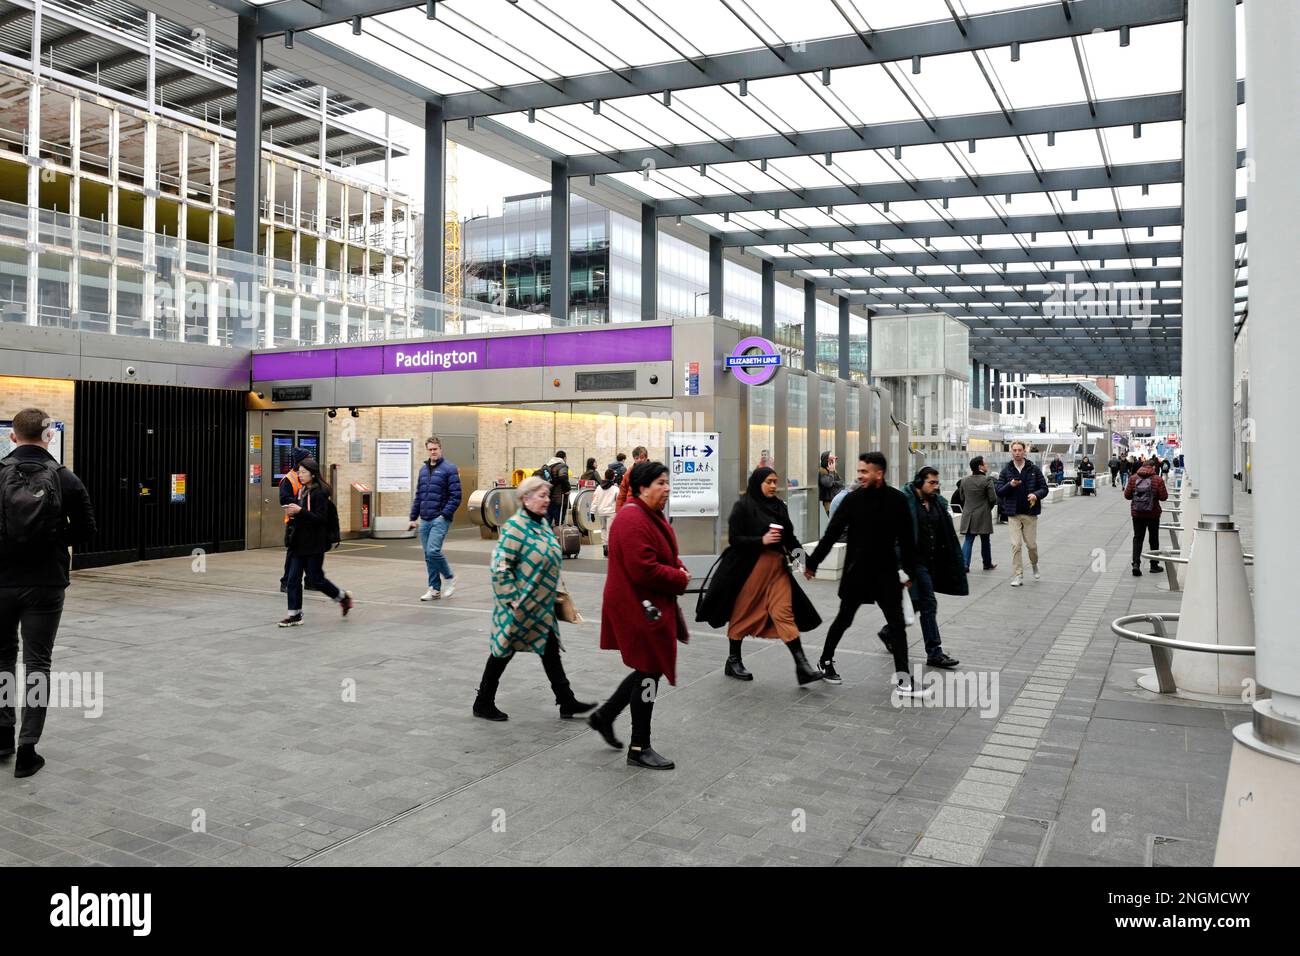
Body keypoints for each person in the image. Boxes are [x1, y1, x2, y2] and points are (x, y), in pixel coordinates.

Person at [0, 408, 96, 779]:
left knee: (3, 659)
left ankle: (2, 736)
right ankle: (28, 750)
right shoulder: (65, 478)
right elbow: (87, 529)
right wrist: (54, 542)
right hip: (46, 583)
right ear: (49, 436)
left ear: (12, 436)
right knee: (38, 663)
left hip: (1, 582)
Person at [587, 461, 691, 769]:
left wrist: (676, 565)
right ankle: (639, 747)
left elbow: (657, 553)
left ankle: (604, 717)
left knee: (648, 669)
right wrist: (678, 577)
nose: (667, 488)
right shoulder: (632, 518)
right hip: (637, 607)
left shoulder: (647, 514)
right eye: (661, 483)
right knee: (649, 671)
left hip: (645, 605)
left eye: (667, 482)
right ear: (643, 487)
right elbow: (642, 568)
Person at [472, 476, 596, 722]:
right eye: (541, 496)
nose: (546, 500)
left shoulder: (540, 524)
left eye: (547, 496)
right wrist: (510, 598)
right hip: (519, 605)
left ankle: (566, 701)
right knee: (503, 651)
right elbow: (500, 566)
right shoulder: (515, 528)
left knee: (550, 651)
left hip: (541, 604)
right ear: (525, 498)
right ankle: (483, 701)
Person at [803, 452, 926, 695]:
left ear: (878, 473)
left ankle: (904, 681)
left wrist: (910, 571)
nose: (859, 475)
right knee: (844, 619)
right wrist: (812, 563)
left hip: (886, 574)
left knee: (897, 625)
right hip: (857, 573)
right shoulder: (852, 500)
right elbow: (831, 533)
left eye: (864, 472)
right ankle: (825, 660)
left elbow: (908, 540)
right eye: (858, 471)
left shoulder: (897, 500)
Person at [696, 467, 823, 685]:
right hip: (749, 570)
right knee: (743, 613)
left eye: (775, 481)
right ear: (757, 483)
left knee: (784, 613)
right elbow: (735, 539)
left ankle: (802, 667)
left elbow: (790, 538)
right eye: (769, 482)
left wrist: (805, 563)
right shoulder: (743, 506)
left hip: (777, 571)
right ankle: (733, 659)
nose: (774, 485)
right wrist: (761, 541)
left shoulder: (779, 507)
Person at [901, 467, 965, 669]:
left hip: (931, 562)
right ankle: (934, 652)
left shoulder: (936, 503)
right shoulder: (906, 501)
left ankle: (888, 632)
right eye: (932, 483)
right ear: (919, 482)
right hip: (913, 562)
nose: (936, 486)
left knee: (918, 603)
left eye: (937, 483)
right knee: (929, 603)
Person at [280, 458, 352, 626]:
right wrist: (293, 513)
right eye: (299, 471)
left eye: (303, 472)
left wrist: (300, 511)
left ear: (312, 474)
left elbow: (320, 519)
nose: (300, 474)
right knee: (292, 579)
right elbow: (304, 515)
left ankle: (342, 597)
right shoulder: (302, 490)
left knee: (316, 579)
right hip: (298, 542)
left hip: (314, 543)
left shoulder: (319, 493)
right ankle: (294, 614)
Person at [409, 436, 462, 602]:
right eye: (430, 449)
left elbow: (456, 496)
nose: (433, 452)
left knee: (433, 551)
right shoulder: (423, 470)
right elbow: (419, 495)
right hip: (424, 518)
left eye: (435, 449)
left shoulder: (449, 468)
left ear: (440, 449)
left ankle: (450, 577)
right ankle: (434, 589)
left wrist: (444, 515)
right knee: (428, 555)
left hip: (440, 519)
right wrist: (413, 517)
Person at [995, 440, 1048, 587]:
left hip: (1030, 514)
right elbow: (999, 491)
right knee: (1016, 545)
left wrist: (1036, 495)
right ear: (1011, 452)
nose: (1017, 453)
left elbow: (1044, 488)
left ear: (1025, 451)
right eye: (1015, 450)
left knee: (1031, 546)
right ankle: (1018, 575)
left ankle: (1034, 564)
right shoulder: (1006, 471)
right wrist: (1010, 485)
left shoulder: (1034, 469)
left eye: (1020, 450)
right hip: (1013, 514)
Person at [1125, 457, 1169, 577]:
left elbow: (1127, 495)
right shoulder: (1157, 479)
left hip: (1137, 513)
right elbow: (1164, 497)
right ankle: (1154, 565)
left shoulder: (1133, 478)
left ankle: (1136, 564)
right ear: (1154, 467)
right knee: (1153, 539)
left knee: (1138, 538)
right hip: (1153, 514)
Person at [957, 456, 997, 573]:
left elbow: (962, 497)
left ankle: (965, 564)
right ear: (980, 467)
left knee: (968, 539)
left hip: (968, 514)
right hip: (983, 515)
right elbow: (993, 498)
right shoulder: (987, 480)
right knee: (985, 540)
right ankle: (987, 563)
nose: (987, 465)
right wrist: (987, 508)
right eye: (985, 464)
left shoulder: (964, 480)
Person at [278, 447, 309, 593]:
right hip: (294, 523)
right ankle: (286, 582)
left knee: (311, 552)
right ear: (300, 462)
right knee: (293, 554)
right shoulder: (288, 480)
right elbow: (285, 501)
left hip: (308, 521)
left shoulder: (308, 477)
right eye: (308, 459)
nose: (311, 461)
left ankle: (310, 581)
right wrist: (302, 505)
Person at [590, 469, 620, 557]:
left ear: (605, 476)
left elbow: (594, 500)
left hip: (601, 512)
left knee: (603, 529)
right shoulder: (615, 489)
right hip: (611, 512)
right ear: (613, 477)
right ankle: (610, 548)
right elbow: (618, 501)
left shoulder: (599, 488)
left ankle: (605, 546)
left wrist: (592, 512)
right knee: (610, 530)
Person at [541, 451, 572, 526]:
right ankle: (559, 537)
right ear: (564, 458)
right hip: (559, 500)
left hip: (548, 498)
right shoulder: (562, 466)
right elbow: (563, 477)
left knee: (547, 523)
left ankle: (546, 536)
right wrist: (567, 489)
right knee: (559, 523)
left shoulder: (547, 466)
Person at [614, 445, 649, 512]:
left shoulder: (652, 471)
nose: (639, 460)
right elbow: (622, 493)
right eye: (636, 458)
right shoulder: (629, 473)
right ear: (634, 459)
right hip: (632, 508)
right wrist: (618, 511)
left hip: (647, 508)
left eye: (641, 457)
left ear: (646, 458)